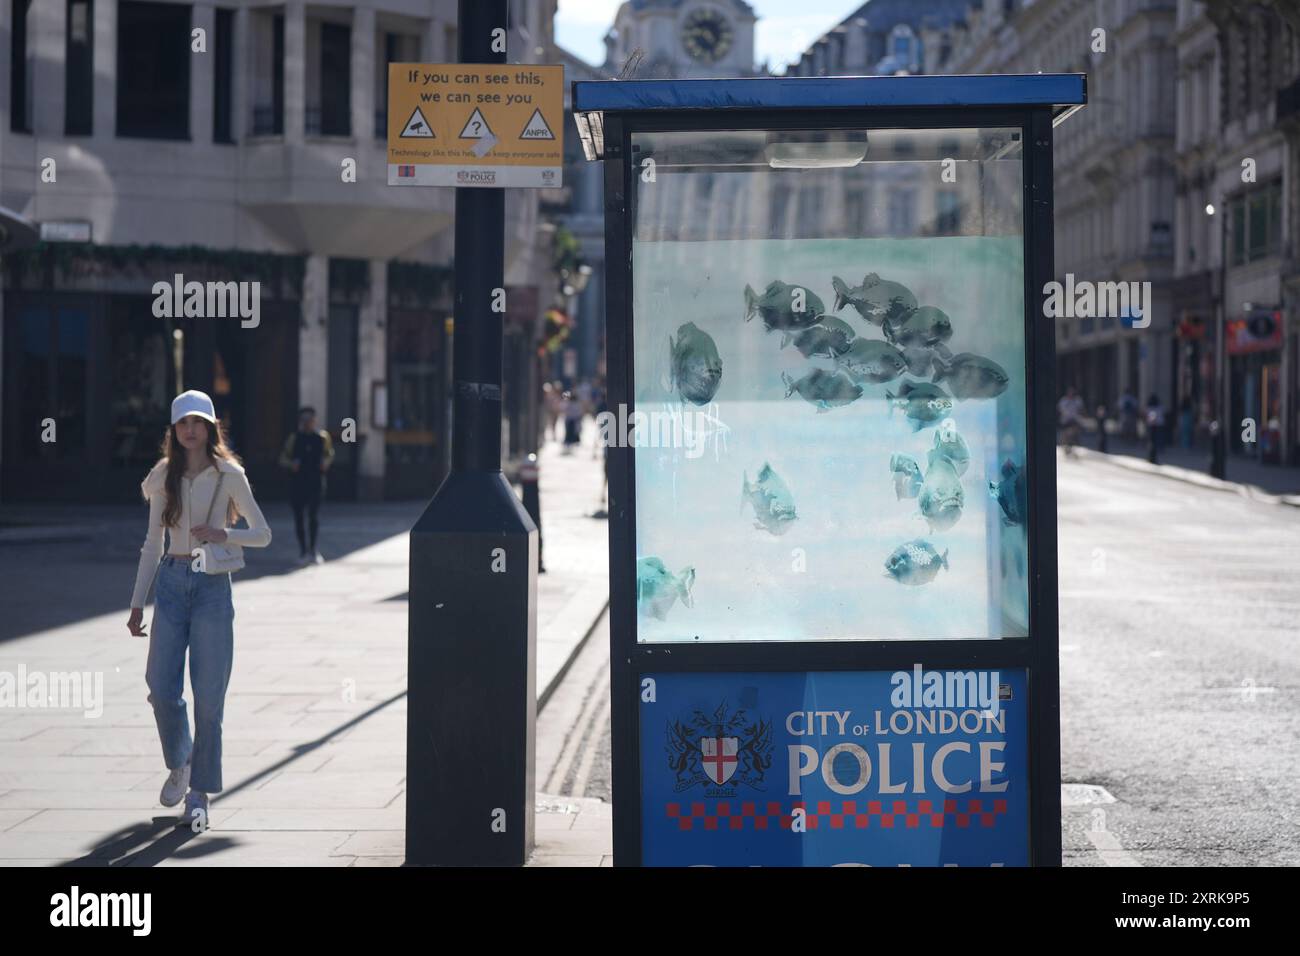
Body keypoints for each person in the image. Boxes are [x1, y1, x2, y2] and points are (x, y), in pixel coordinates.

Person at [125, 390, 272, 827]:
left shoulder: (230, 475)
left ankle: (199, 792)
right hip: (170, 584)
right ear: (174, 430)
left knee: (209, 700)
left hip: (212, 587)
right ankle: (181, 760)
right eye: (182, 423)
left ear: (210, 427)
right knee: (160, 686)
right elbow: (153, 544)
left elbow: (262, 532)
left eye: (198, 422)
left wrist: (225, 535)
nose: (190, 430)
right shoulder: (162, 476)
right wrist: (137, 605)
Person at [279, 407, 334, 564]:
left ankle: (313, 549)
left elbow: (329, 454)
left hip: (316, 481)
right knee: (299, 517)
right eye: (304, 420)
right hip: (298, 483)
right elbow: (283, 457)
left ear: (315, 420)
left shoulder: (322, 437)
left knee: (313, 516)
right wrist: (291, 465)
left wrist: (326, 463)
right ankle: (303, 550)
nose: (307, 423)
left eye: (310, 419)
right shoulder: (294, 438)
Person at [1057, 386, 1086, 458]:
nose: (1071, 394)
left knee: (1073, 435)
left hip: (1075, 420)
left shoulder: (1078, 400)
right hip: (1066, 420)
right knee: (1066, 435)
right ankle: (1066, 448)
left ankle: (1072, 447)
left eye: (1072, 392)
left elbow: (1081, 410)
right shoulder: (1063, 400)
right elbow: (1059, 410)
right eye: (1070, 392)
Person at [1145, 393, 1166, 464]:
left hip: (1153, 427)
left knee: (1152, 443)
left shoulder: (1151, 408)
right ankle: (1153, 457)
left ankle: (1152, 458)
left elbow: (1152, 419)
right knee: (1156, 442)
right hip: (1159, 426)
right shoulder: (1159, 407)